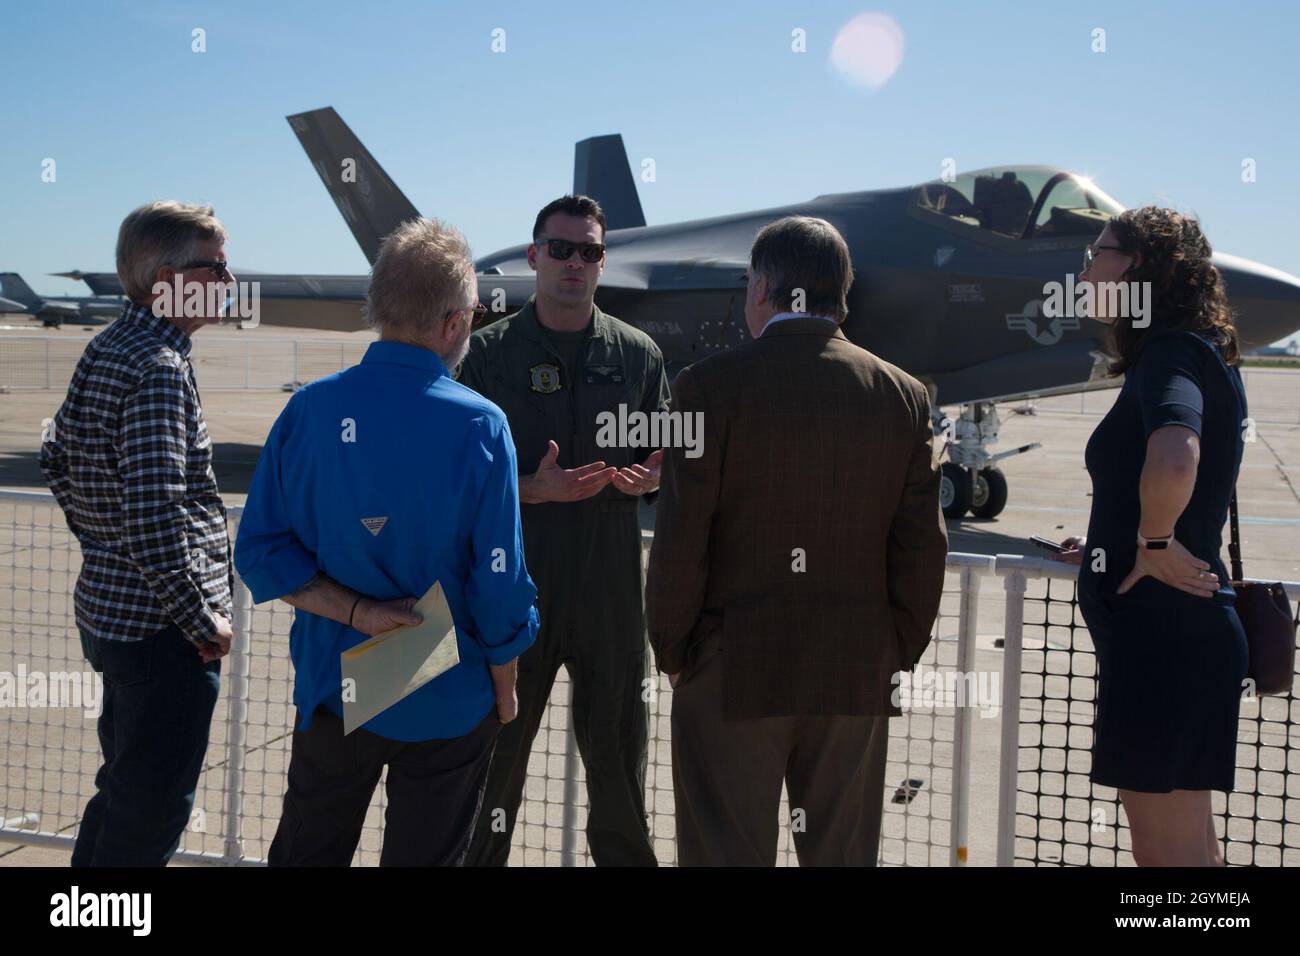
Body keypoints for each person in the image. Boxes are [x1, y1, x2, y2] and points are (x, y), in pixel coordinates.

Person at [234, 218, 539, 866]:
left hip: (335, 693)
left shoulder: (310, 410)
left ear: (376, 307)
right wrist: (506, 688)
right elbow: (499, 584)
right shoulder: (482, 425)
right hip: (450, 700)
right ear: (455, 323)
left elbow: (259, 549)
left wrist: (359, 614)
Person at [645, 215, 948, 865]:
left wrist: (675, 651)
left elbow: (681, 540)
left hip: (730, 665)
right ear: (842, 294)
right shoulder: (902, 396)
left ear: (761, 289)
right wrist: (894, 649)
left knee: (724, 851)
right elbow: (922, 546)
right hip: (855, 667)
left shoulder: (707, 387)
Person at [459, 195, 669, 867]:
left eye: (590, 252)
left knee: (620, 774)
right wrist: (529, 490)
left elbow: (661, 453)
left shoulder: (638, 357)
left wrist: (655, 480)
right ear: (533, 257)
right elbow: (454, 480)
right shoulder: (488, 357)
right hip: (517, 591)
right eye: (561, 249)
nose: (575, 263)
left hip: (610, 596)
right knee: (494, 767)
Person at [41, 201, 236, 866]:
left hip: (113, 618)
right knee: (148, 818)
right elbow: (156, 521)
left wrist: (101, 544)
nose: (230, 280)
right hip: (162, 639)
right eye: (216, 266)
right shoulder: (157, 368)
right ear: (165, 279)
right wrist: (200, 622)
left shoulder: (110, 347)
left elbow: (54, 457)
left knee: (122, 794)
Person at [1053, 207, 1248, 867]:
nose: (1084, 268)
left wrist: (1156, 544)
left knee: (1168, 868)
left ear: (1141, 268)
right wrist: (1114, 540)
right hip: (1178, 642)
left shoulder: (1170, 353)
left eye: (1098, 253)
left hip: (1165, 644)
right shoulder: (1187, 351)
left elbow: (1174, 458)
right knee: (1196, 861)